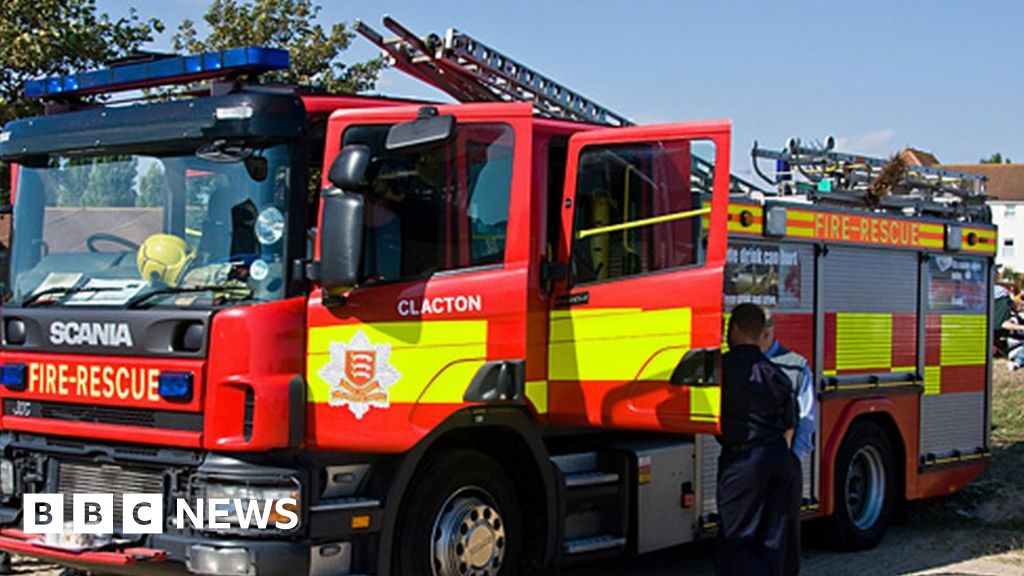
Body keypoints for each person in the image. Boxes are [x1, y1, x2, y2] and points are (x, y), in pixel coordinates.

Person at [717, 303, 798, 576]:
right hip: (778, 458)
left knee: (737, 538)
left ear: (736, 329)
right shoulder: (778, 374)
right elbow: (790, 425)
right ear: (762, 333)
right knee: (772, 540)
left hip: (743, 461)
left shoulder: (721, 370)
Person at [762, 313, 815, 576]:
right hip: (754, 466)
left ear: (767, 332)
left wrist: (793, 461)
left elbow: (806, 420)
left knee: (784, 542)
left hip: (783, 465)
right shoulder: (739, 363)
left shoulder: (794, 366)